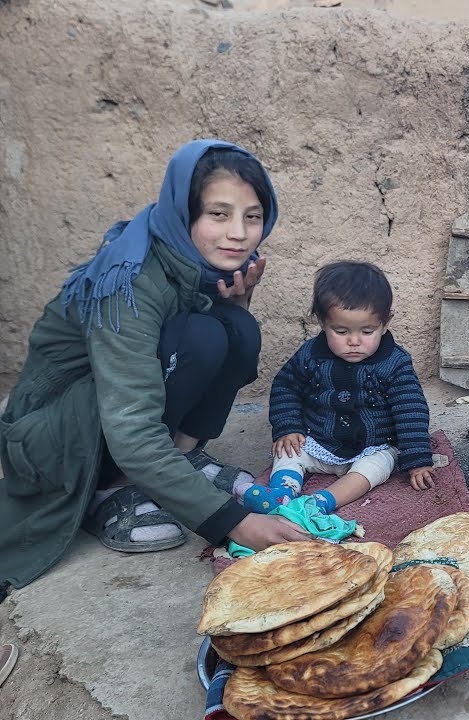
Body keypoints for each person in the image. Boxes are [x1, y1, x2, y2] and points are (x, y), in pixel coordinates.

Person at [0, 140, 311, 590]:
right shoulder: (131, 279)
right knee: (204, 334)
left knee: (235, 328)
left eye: (253, 216)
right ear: (184, 213)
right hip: (57, 434)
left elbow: (216, 346)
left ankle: (181, 458)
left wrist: (239, 302)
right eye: (218, 214)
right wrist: (233, 523)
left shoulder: (191, 261)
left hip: (108, 409)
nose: (239, 233)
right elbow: (131, 424)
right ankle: (113, 487)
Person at [255, 261, 435, 514]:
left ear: (385, 323)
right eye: (340, 331)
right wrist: (287, 428)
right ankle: (281, 494)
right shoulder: (310, 356)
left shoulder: (394, 363)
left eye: (367, 331)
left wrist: (417, 459)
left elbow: (411, 411)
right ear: (322, 322)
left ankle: (320, 503)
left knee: (376, 467)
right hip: (317, 440)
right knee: (288, 453)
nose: (354, 341)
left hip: (373, 445)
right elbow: (286, 388)